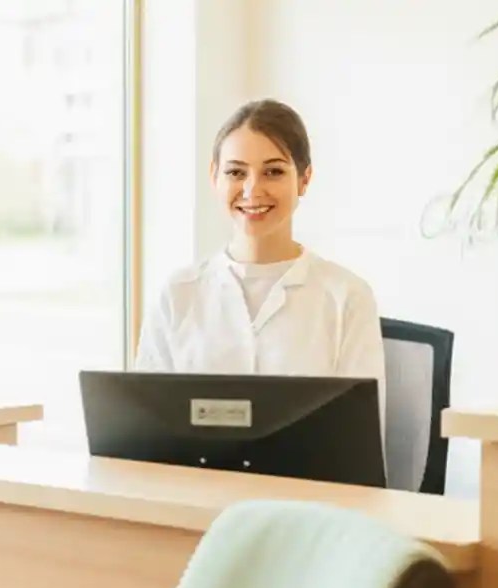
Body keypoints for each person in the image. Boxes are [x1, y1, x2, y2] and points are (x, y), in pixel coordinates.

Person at [134, 98, 386, 429]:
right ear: (215, 177)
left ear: (304, 179)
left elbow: (360, 437)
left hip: (306, 482)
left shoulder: (347, 296)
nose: (252, 190)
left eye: (273, 172)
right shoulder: (177, 295)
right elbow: (145, 427)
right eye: (236, 172)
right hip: (194, 481)